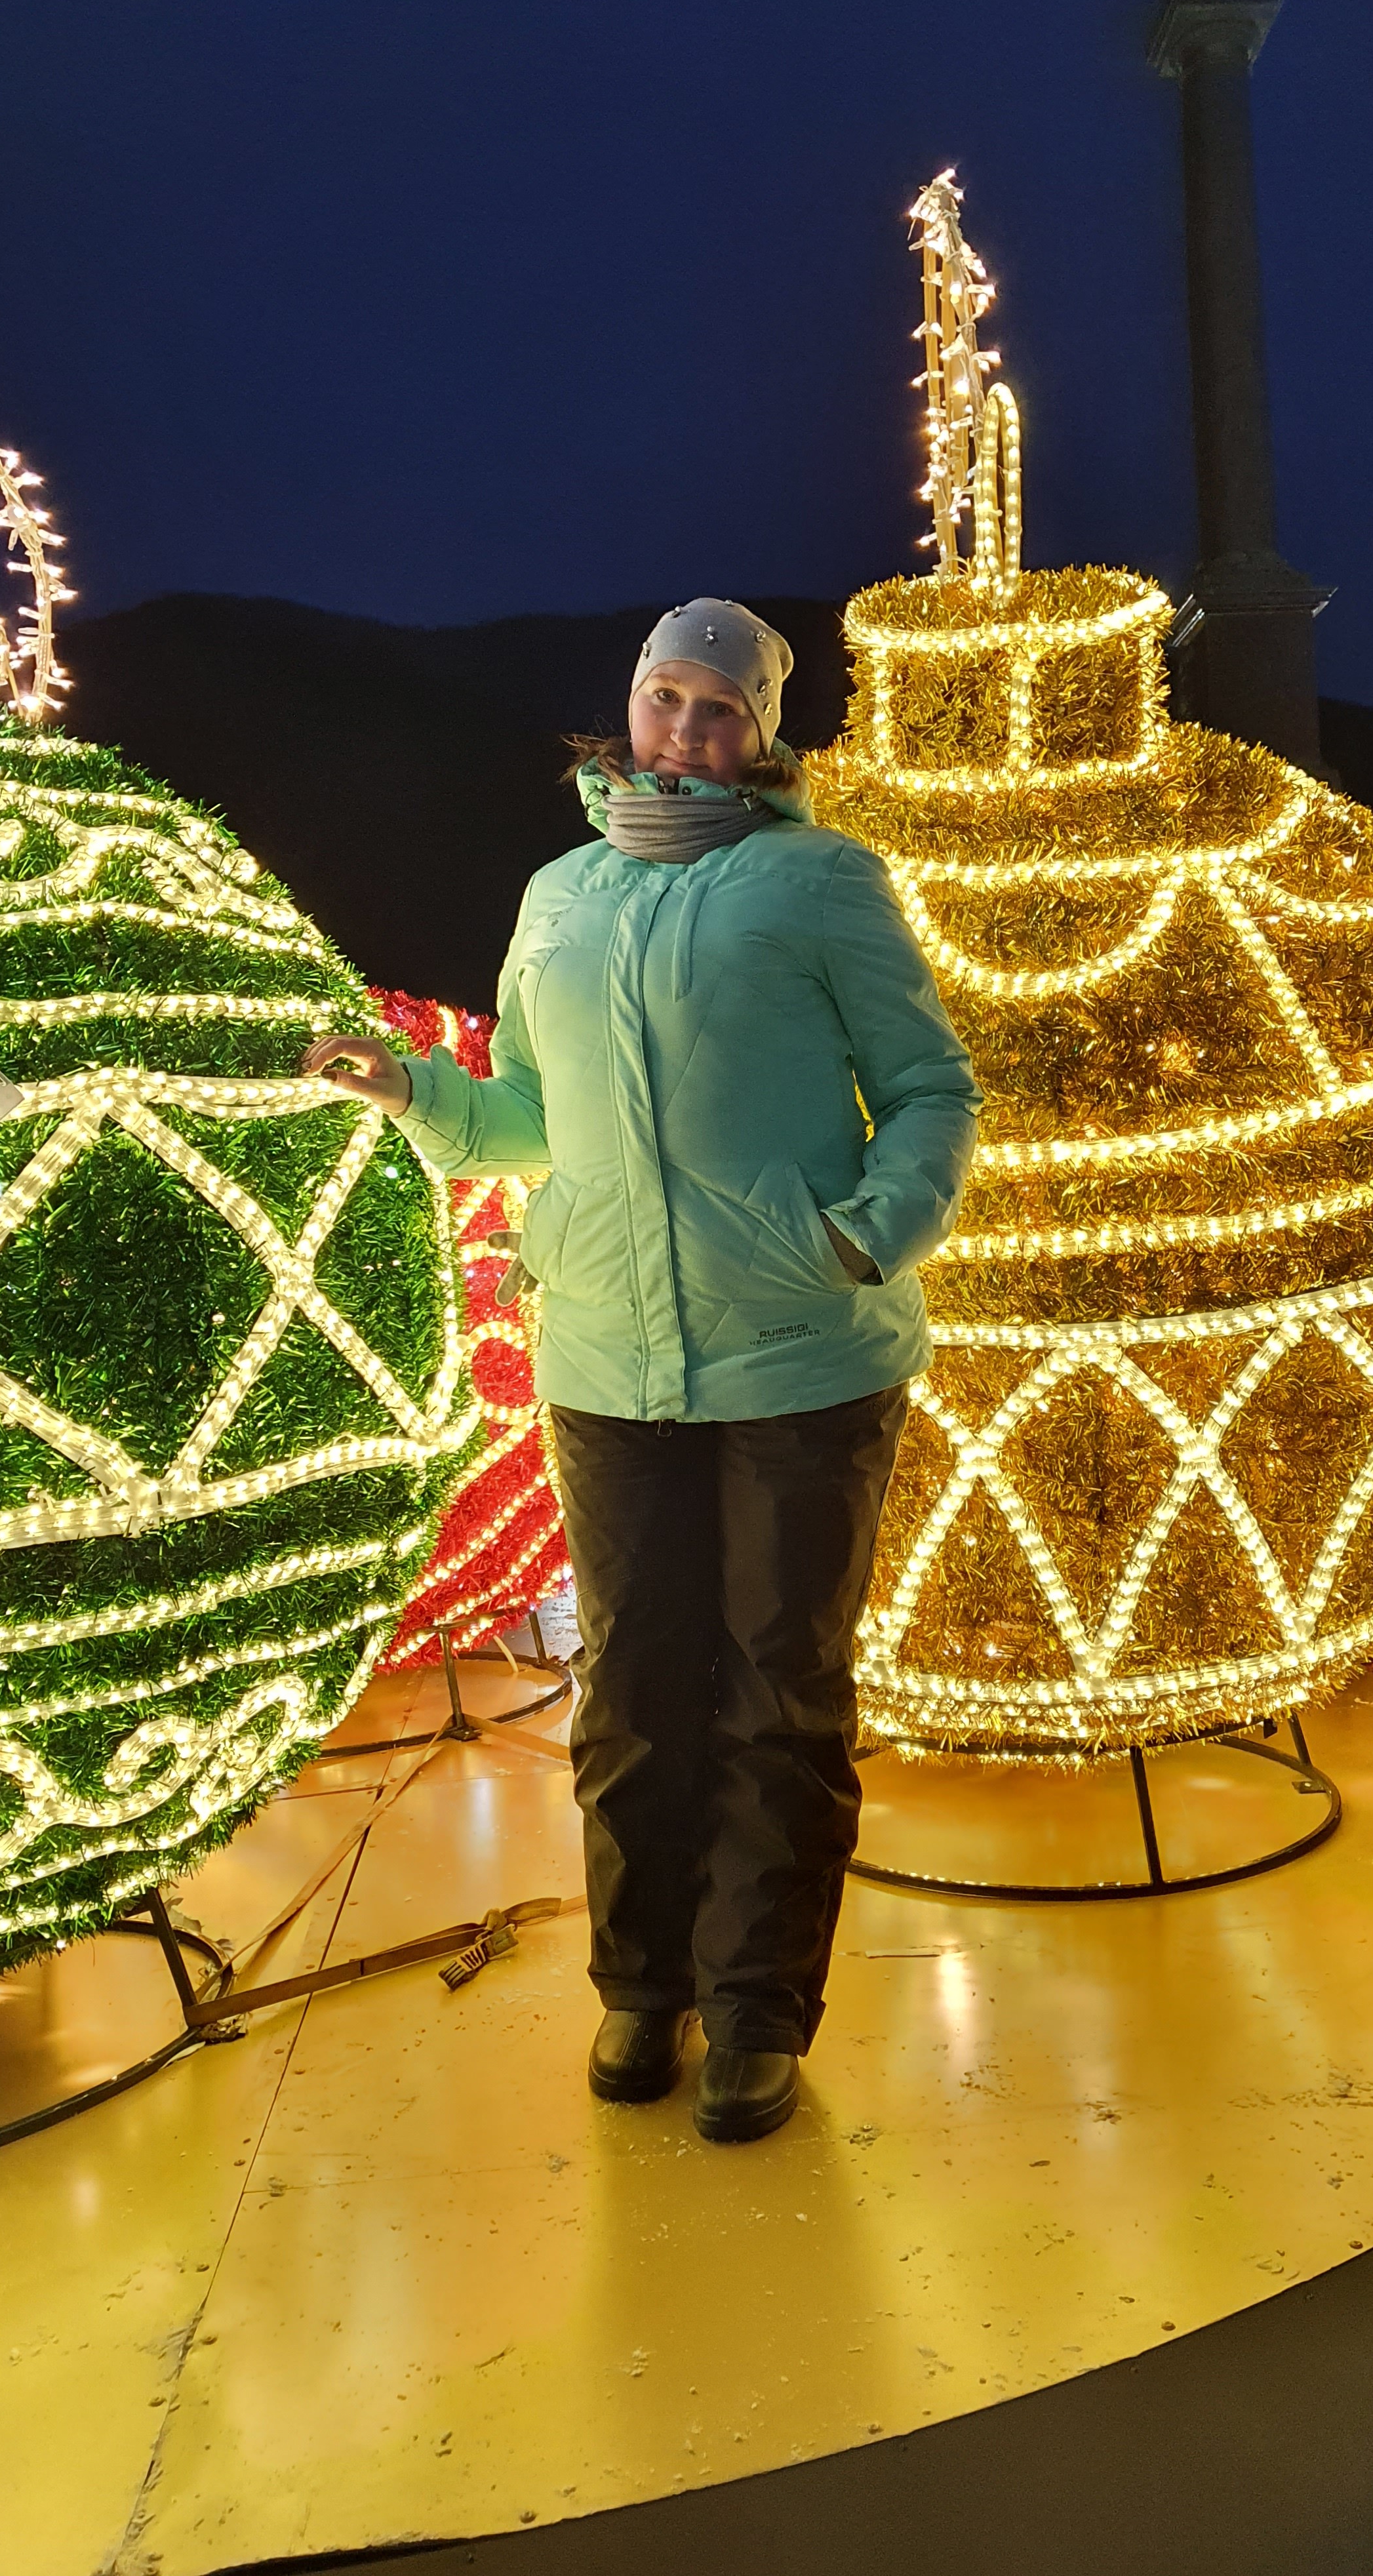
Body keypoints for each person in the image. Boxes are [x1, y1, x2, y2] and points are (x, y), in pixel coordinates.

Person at [304, 599, 980, 2143]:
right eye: (666, 698)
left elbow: (932, 1086)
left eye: (719, 709)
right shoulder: (561, 895)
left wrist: (871, 1235)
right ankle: (642, 1987)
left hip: (801, 1354)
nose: (687, 728)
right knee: (629, 1692)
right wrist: (412, 1087)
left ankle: (755, 2010)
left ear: (760, 732)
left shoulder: (820, 880)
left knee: (780, 1694)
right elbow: (526, 1115)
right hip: (606, 1356)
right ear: (631, 708)